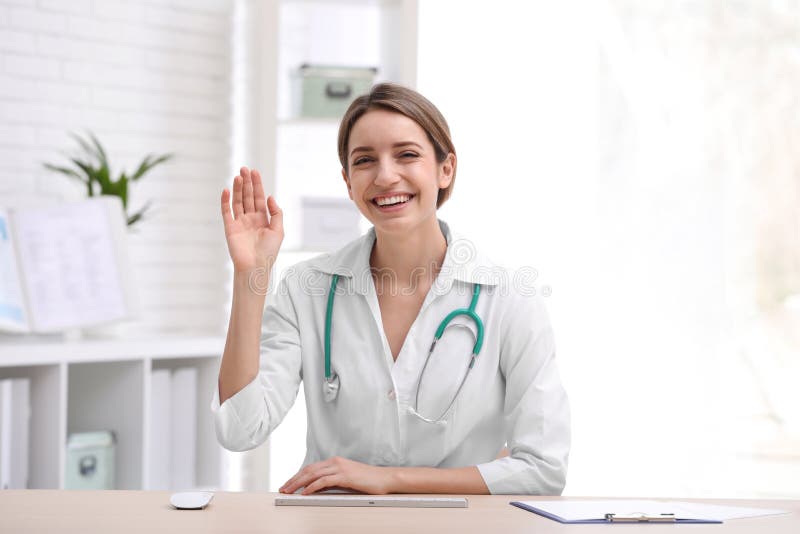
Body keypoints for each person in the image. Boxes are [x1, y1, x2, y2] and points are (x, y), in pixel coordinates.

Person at [212, 82, 570, 495]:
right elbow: (239, 430)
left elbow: (544, 471)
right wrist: (250, 276)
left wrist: (389, 480)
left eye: (407, 155)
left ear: (445, 168)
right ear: (348, 183)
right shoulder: (306, 290)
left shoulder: (509, 300)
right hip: (335, 528)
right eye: (364, 161)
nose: (385, 176)